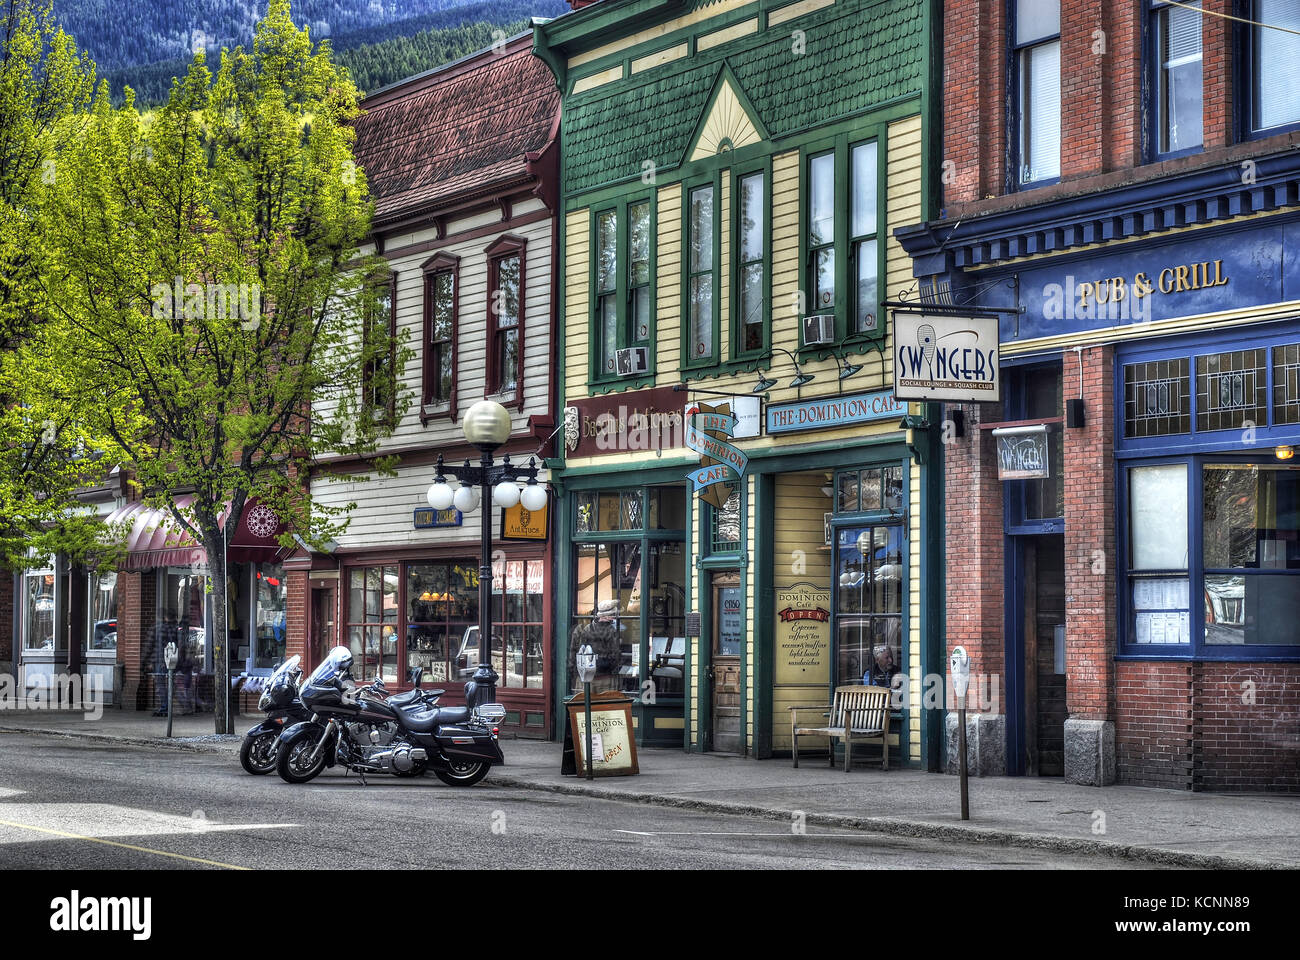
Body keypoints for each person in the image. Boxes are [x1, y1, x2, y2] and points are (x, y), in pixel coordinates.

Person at [570, 599, 622, 694]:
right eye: (613, 615)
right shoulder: (612, 632)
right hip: (605, 678)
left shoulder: (586, 629)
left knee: (584, 706)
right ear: (608, 616)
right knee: (604, 707)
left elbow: (578, 653)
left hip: (585, 678)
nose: (614, 618)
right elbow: (616, 656)